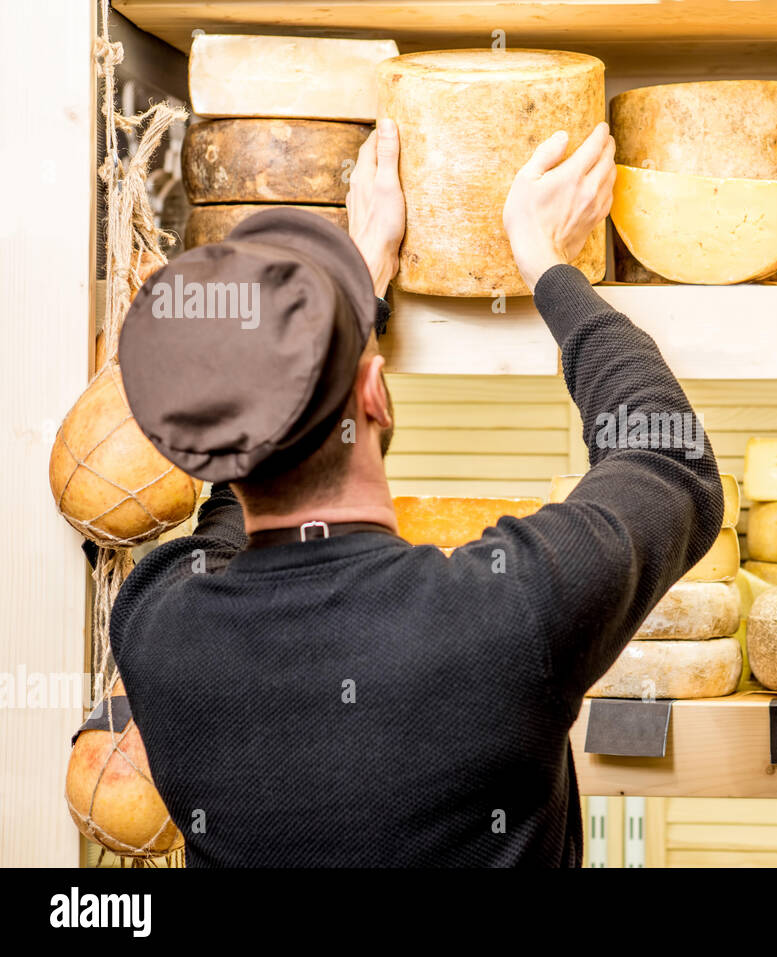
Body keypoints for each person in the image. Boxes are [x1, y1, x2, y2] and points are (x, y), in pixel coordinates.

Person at [110, 119, 724, 867]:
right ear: (376, 395)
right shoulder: (504, 617)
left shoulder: (156, 624)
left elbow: (230, 509)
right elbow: (669, 458)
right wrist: (547, 261)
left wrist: (352, 307)